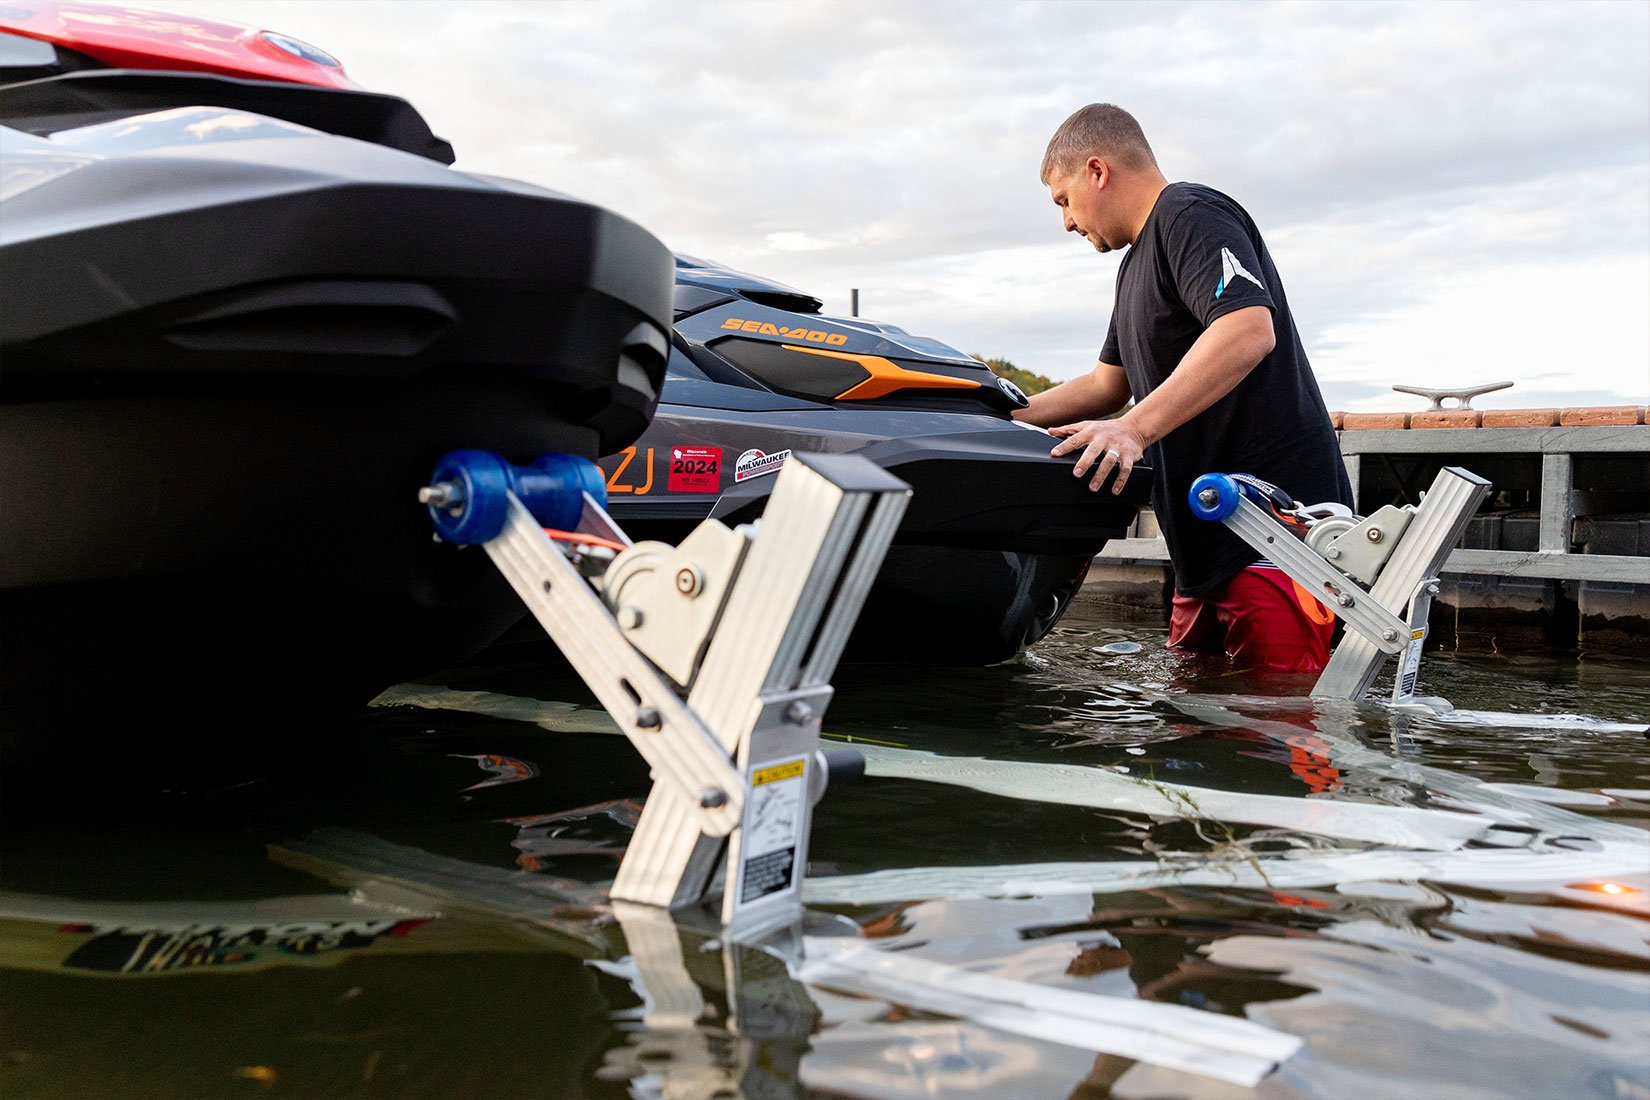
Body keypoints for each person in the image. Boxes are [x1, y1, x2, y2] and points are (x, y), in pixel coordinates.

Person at [1014, 103, 1352, 672]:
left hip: (1273, 535)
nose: (1067, 223)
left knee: (1275, 729)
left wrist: (1133, 430)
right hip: (1201, 545)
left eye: (1064, 200)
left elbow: (1247, 329)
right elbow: (1104, 387)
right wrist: (995, 415)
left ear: (1097, 171)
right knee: (1194, 729)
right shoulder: (1131, 271)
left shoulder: (1189, 213)